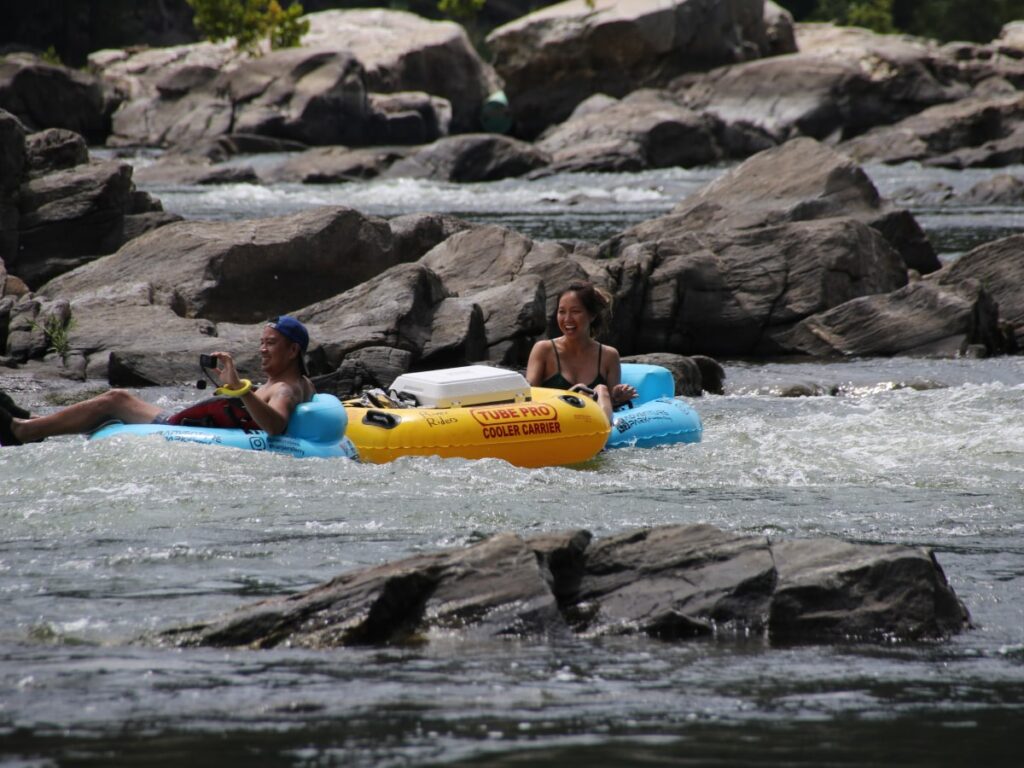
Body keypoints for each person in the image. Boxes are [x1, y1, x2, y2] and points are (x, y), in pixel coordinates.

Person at [0, 316, 314, 446]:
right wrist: (236, 389)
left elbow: (275, 426)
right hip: (198, 422)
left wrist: (242, 390)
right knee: (118, 401)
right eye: (262, 343)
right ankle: (34, 420)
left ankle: (22, 430)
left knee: (116, 399)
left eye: (271, 343)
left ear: (293, 350)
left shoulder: (285, 388)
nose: (262, 350)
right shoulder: (299, 381)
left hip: (188, 427)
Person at [526, 282, 636, 423]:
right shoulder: (543, 350)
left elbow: (612, 404)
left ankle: (602, 431)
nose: (567, 319)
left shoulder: (609, 356)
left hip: (593, 424)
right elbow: (528, 398)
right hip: (555, 422)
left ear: (592, 315)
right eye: (562, 312)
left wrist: (617, 397)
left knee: (601, 389)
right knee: (583, 390)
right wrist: (570, 395)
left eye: (575, 311)